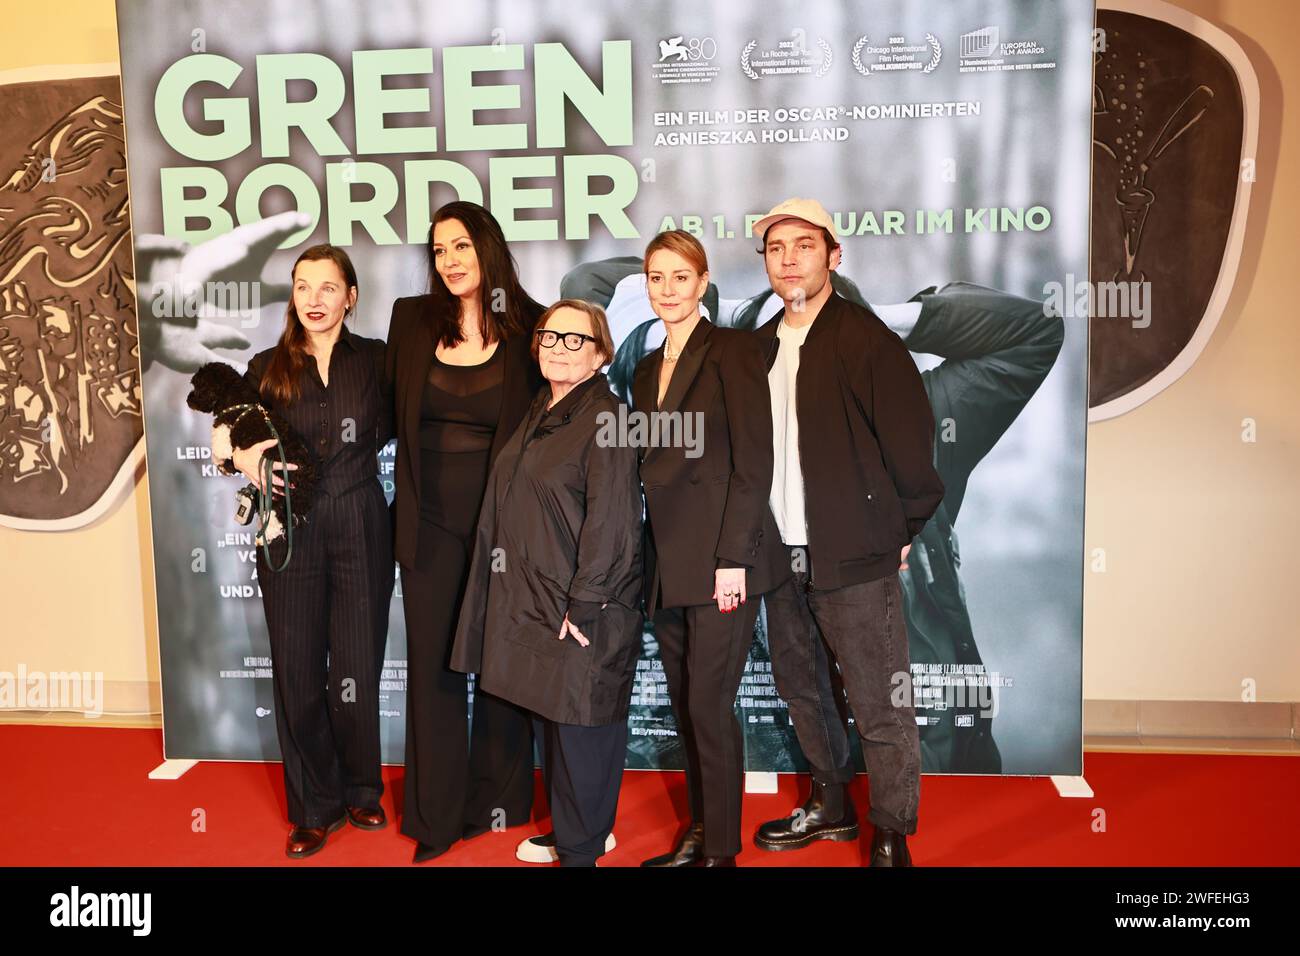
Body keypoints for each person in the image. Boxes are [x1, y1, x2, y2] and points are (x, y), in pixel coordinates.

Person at [745, 198, 944, 866]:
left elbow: (913, 453)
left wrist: (898, 529)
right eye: (776, 248)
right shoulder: (759, 347)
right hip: (779, 553)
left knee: (878, 699)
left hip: (854, 554)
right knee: (802, 688)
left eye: (804, 244)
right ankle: (829, 804)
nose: (789, 258)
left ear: (834, 255)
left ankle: (890, 830)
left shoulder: (868, 341)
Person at [450, 300, 643, 867]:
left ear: (601, 353)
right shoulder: (542, 406)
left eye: (574, 339)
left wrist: (583, 604)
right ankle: (578, 829)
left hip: (581, 602)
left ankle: (581, 846)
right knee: (554, 722)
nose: (558, 347)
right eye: (549, 336)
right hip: (532, 598)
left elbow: (614, 522)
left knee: (583, 726)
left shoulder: (607, 418)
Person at [384, 201, 546, 863]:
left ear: (487, 248)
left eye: (460, 246)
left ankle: (497, 800)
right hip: (426, 527)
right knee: (434, 672)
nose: (449, 260)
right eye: (438, 249)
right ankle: (435, 817)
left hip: (502, 531)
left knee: (502, 668)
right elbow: (376, 408)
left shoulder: (533, 325)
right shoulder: (411, 320)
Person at [224, 243, 393, 859]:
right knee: (297, 673)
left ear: (350, 296)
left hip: (360, 519)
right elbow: (229, 441)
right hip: (288, 529)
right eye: (302, 286)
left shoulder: (377, 362)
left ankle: (360, 788)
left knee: (355, 669)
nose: (314, 299)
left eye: (327, 287)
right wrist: (244, 457)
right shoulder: (265, 366)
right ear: (292, 296)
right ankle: (313, 806)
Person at [630, 232, 789, 867]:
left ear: (702, 283)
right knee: (687, 707)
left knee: (707, 704)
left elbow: (754, 463)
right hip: (667, 563)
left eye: (679, 277)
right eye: (656, 277)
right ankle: (700, 830)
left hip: (724, 560)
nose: (667, 290)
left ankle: (720, 849)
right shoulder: (644, 368)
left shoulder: (732, 350)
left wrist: (734, 561)